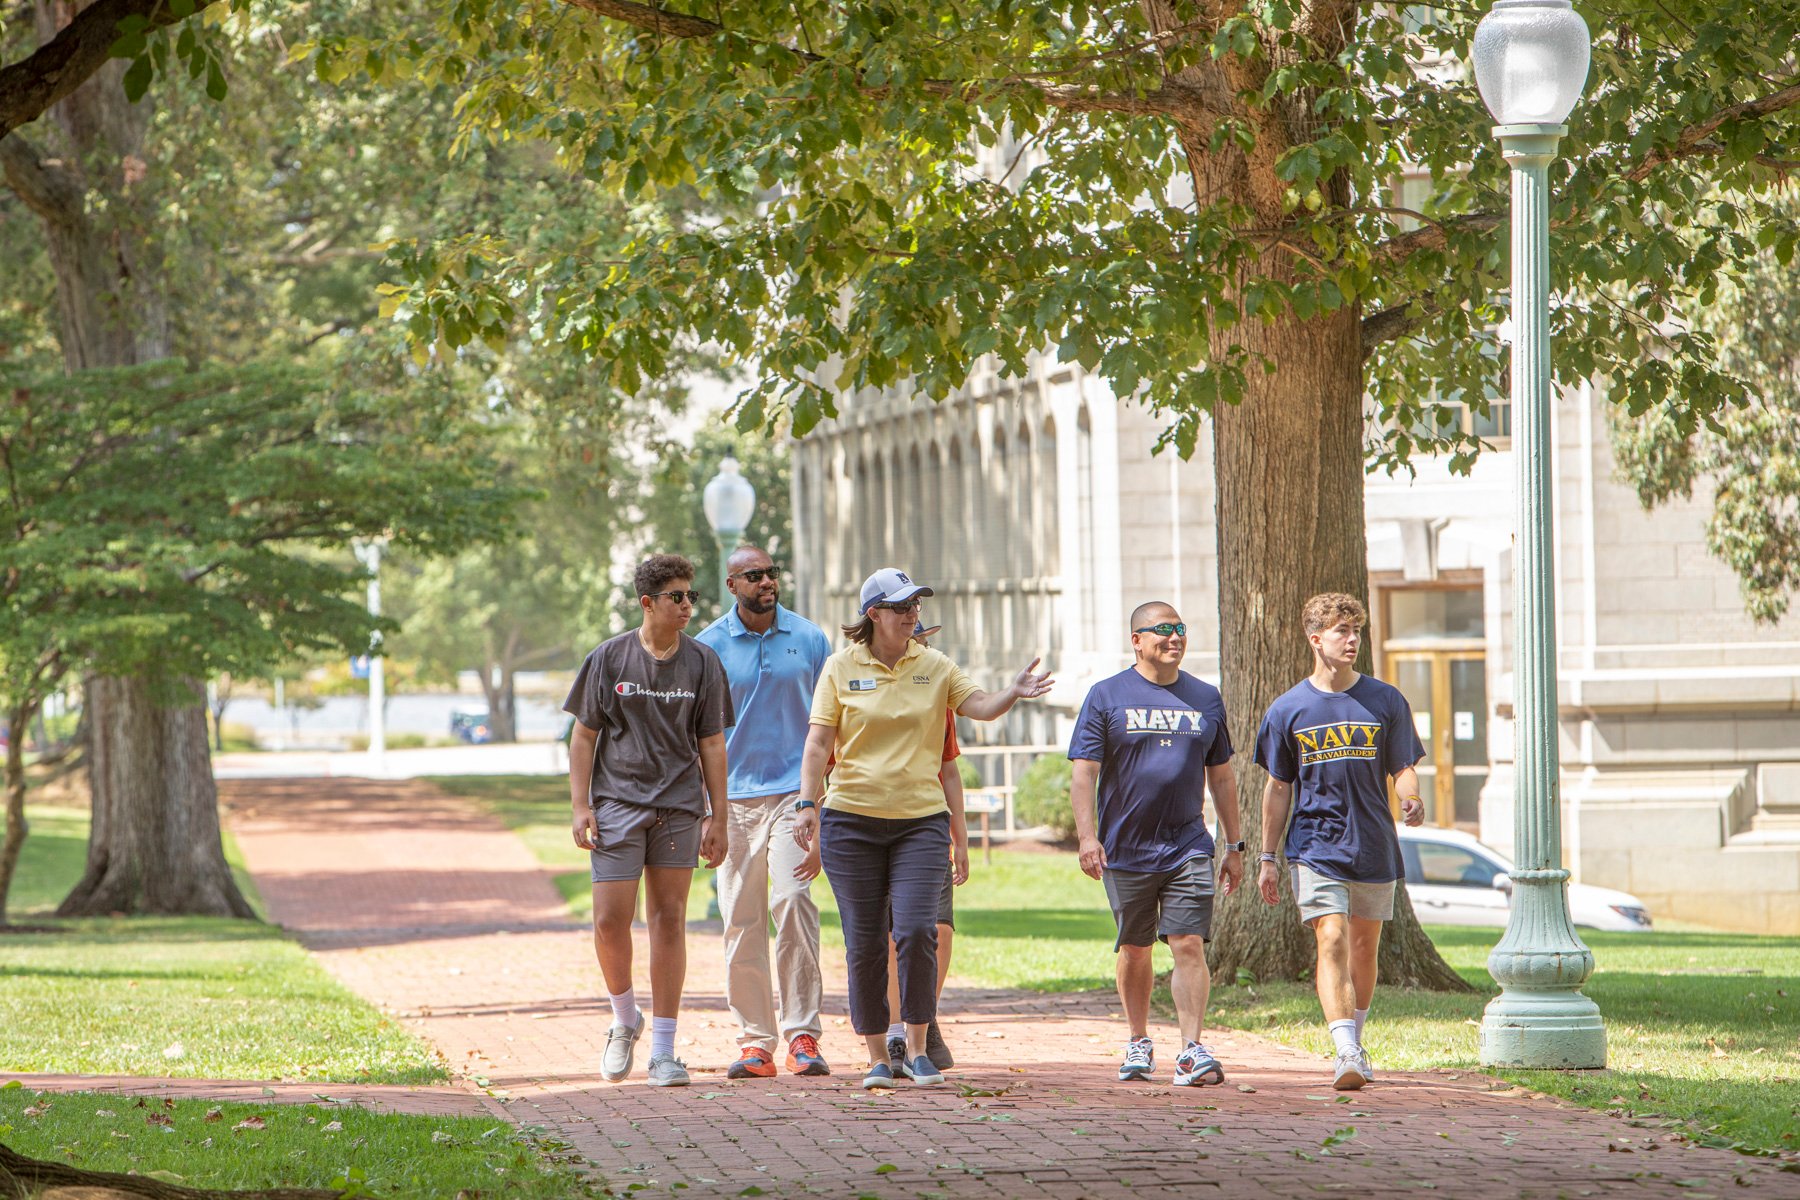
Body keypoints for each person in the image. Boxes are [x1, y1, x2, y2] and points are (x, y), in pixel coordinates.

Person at [793, 567, 1052, 1090]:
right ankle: (875, 1056)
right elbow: (819, 744)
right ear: (873, 615)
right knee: (865, 941)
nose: (913, 614)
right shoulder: (840, 669)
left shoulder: (934, 665)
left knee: (916, 930)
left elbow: (977, 706)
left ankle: (915, 1047)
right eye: (901, 606)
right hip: (851, 822)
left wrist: (1012, 691)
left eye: (916, 605)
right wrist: (807, 804)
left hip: (920, 823)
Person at [565, 554, 733, 1088]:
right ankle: (624, 1020)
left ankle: (664, 1050)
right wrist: (579, 805)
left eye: (691, 597)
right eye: (677, 597)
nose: (687, 606)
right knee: (610, 920)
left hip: (679, 807)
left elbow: (711, 743)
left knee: (669, 919)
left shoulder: (703, 663)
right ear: (647, 603)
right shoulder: (609, 659)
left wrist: (718, 816)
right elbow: (584, 736)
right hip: (617, 803)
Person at [1254, 592, 1425, 1092]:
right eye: (1341, 632)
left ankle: (1357, 1040)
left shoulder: (1385, 700)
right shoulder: (1288, 709)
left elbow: (1404, 767)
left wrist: (1410, 799)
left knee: (1365, 948)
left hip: (1373, 841)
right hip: (1314, 844)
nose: (1352, 641)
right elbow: (1278, 788)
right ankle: (1345, 1048)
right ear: (1315, 640)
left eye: (1356, 632)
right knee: (1331, 937)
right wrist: (1266, 857)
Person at [1069, 602, 1244, 1087]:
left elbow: (1223, 777)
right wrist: (1088, 836)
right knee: (1136, 947)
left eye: (1180, 629)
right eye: (1163, 630)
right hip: (1126, 846)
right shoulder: (1107, 696)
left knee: (1187, 942)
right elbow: (1084, 773)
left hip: (1188, 843)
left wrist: (1235, 843)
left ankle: (1191, 1049)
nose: (1174, 637)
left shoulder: (1206, 698)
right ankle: (1139, 1037)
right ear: (1137, 640)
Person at [694, 545, 834, 1080]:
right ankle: (755, 1041)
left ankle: (803, 1034)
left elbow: (830, 725)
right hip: (730, 802)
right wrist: (708, 811)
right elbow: (698, 736)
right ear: (732, 585)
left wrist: (820, 799)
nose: (767, 582)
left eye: (771, 573)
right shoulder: (706, 648)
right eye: (754, 576)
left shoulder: (810, 638)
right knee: (740, 920)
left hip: (792, 798)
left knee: (794, 899)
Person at [881, 620, 968, 1076]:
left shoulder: (937, 693)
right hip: (875, 827)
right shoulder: (863, 689)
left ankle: (923, 1016)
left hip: (927, 826)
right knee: (896, 938)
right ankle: (898, 1033)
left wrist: (961, 836)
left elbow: (949, 766)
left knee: (938, 930)